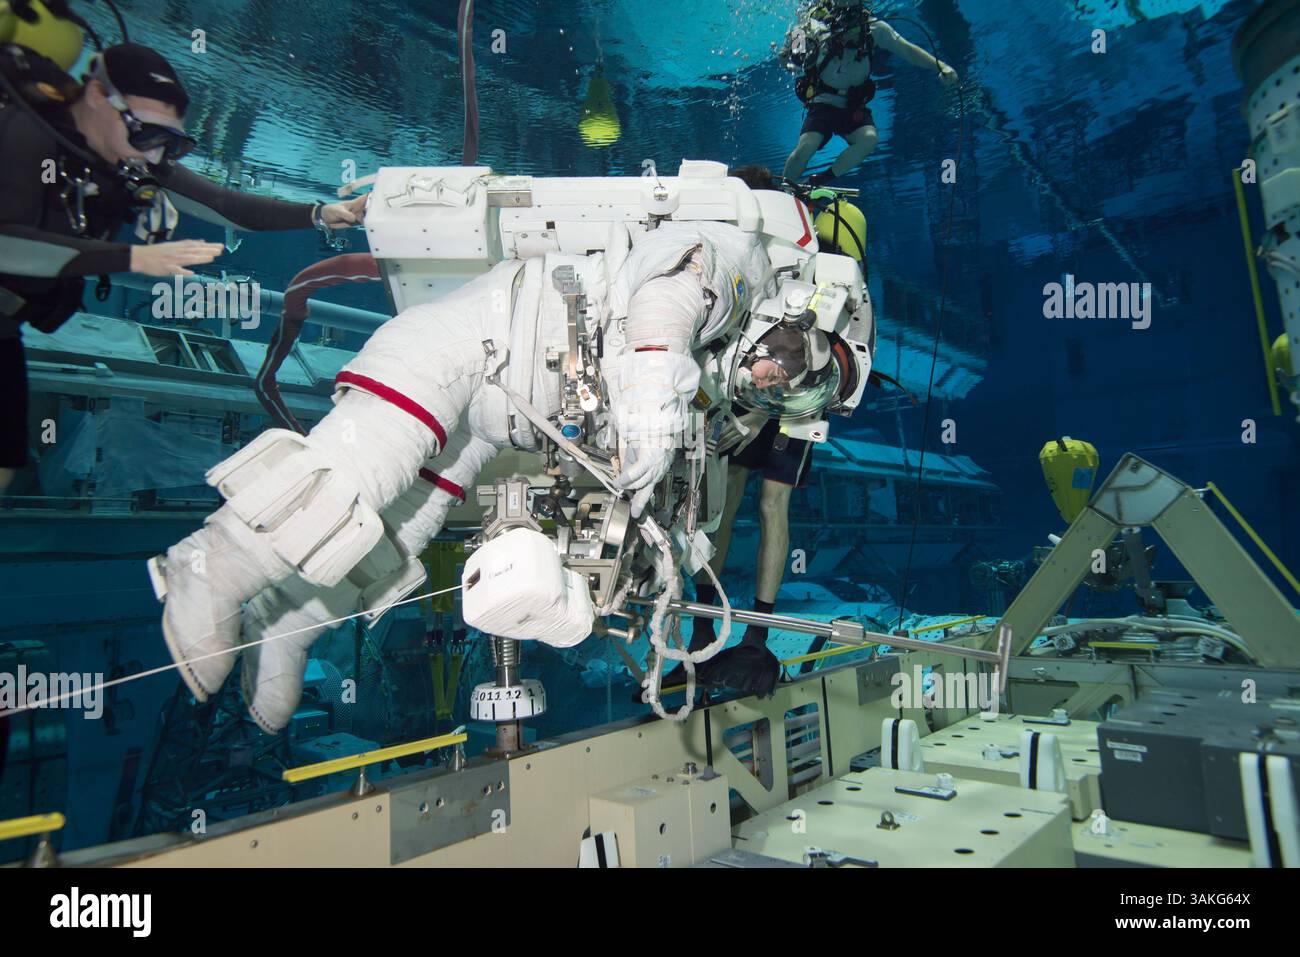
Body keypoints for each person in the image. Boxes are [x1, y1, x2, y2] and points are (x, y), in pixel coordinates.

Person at [148, 218, 775, 734]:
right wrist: (652, 425)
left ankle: (285, 623)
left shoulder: (726, 351)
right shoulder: (726, 253)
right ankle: (210, 567)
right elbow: (664, 308)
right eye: (795, 365)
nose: (780, 381)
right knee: (358, 474)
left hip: (494, 413)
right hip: (462, 348)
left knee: (397, 535)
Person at [0, 42, 366, 492]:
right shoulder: (25, 136)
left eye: (171, 143)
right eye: (146, 135)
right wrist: (131, 258)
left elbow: (225, 205)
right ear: (97, 96)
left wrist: (321, 213)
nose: (155, 156)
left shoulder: (129, 156)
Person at [780, 0, 958, 186]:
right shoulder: (813, 26)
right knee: (806, 148)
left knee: (868, 139)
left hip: (853, 105)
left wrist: (941, 66)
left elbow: (907, 50)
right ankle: (783, 189)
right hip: (823, 102)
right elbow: (792, 61)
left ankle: (820, 180)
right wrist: (789, 55)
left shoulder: (874, 28)